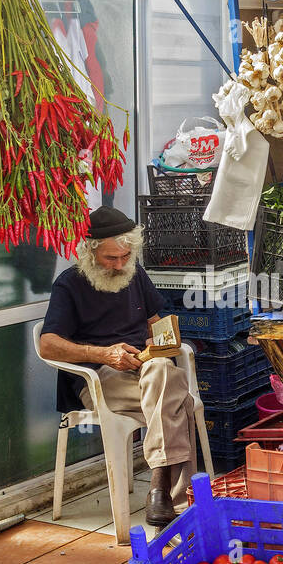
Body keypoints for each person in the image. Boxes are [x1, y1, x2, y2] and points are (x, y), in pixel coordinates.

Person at [39, 206, 196, 528]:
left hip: (144, 371)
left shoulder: (134, 274)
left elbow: (155, 323)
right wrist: (103, 354)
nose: (120, 265)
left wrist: (161, 343)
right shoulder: (68, 285)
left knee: (164, 371)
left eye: (125, 256)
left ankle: (159, 492)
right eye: (111, 259)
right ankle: (170, 496)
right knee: (178, 399)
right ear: (89, 251)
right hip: (99, 378)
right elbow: (47, 344)